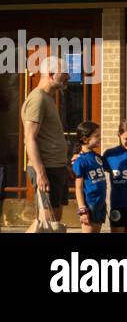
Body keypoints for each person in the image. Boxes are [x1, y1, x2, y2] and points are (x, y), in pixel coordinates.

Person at [22, 55, 69, 225]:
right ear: (50, 74)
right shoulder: (38, 99)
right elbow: (30, 138)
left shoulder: (48, 98)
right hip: (46, 169)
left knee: (54, 221)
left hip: (56, 167)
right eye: (64, 73)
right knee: (47, 223)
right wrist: (41, 173)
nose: (68, 78)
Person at [70, 121, 109, 234]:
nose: (100, 138)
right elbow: (78, 187)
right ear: (85, 139)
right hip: (89, 205)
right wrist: (82, 209)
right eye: (96, 136)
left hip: (100, 204)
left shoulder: (96, 157)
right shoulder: (80, 161)